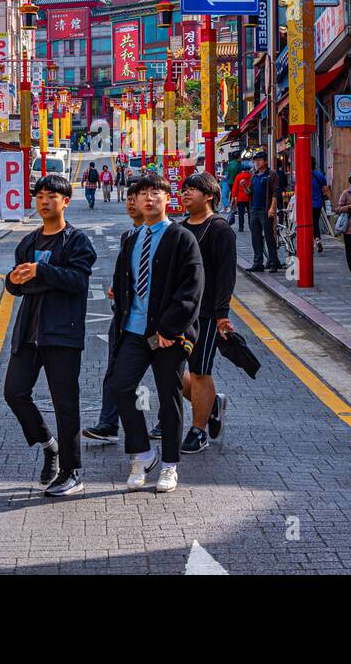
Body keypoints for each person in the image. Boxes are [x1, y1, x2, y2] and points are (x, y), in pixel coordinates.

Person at [3, 174, 97, 497]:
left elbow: (78, 283)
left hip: (62, 334)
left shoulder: (77, 242)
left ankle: (72, 472)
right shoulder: (27, 243)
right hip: (29, 332)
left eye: (52, 196)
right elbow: (17, 286)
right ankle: (48, 444)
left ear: (66, 201)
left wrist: (40, 273)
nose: (44, 201)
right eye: (40, 195)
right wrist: (13, 280)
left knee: (65, 403)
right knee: (14, 392)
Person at [109, 172, 203, 493]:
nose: (149, 199)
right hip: (135, 331)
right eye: (143, 194)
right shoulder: (132, 238)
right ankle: (143, 454)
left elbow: (192, 288)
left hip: (168, 335)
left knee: (169, 398)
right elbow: (124, 278)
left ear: (167, 198)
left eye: (156, 193)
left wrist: (170, 328)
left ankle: (169, 465)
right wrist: (119, 296)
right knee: (121, 387)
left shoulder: (181, 237)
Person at [173, 172, 236, 454]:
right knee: (171, 370)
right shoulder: (179, 228)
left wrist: (222, 313)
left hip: (207, 312)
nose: (185, 194)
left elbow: (226, 275)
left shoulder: (219, 229)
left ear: (209, 195)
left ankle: (198, 431)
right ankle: (209, 405)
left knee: (199, 371)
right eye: (183, 190)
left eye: (192, 190)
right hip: (177, 312)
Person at [83, 191, 145, 443]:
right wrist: (118, 288)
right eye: (129, 198)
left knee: (169, 378)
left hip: (158, 321)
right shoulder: (127, 236)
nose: (132, 203)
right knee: (115, 370)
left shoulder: (172, 235)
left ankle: (203, 402)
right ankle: (108, 423)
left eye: (137, 197)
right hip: (126, 316)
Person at [247, 151, 282, 272]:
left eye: (260, 160)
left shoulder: (271, 174)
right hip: (254, 210)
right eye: (255, 160)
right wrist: (244, 187)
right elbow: (250, 193)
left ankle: (273, 262)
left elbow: (275, 192)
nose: (257, 162)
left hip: (265, 210)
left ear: (265, 161)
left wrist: (272, 208)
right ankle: (258, 262)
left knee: (269, 237)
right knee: (255, 237)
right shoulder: (254, 175)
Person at [310, 157, 331, 254]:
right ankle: (317, 239)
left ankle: (308, 241)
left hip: (306, 205)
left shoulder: (302, 175)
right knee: (315, 223)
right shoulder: (319, 175)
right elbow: (326, 190)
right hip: (317, 204)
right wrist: (332, 202)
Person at [232, 161, 252, 233]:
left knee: (241, 214)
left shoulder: (238, 176)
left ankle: (241, 227)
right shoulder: (251, 176)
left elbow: (235, 188)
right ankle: (251, 226)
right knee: (250, 213)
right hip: (249, 198)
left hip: (240, 198)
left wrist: (234, 197)